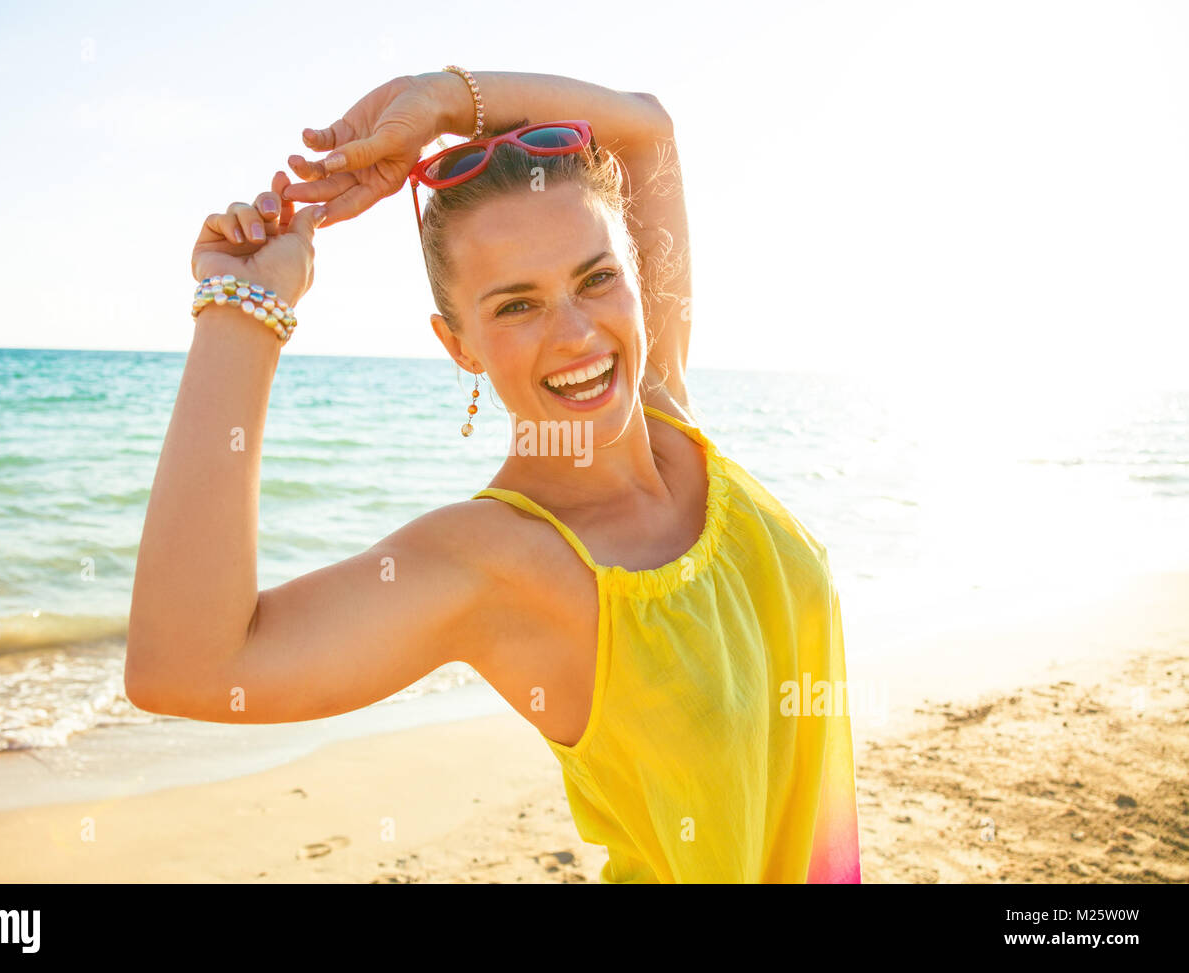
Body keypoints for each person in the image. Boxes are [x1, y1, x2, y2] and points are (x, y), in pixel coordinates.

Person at [127, 70, 862, 883]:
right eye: (517, 305)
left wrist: (443, 99)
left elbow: (647, 131)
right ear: (460, 346)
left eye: (597, 278)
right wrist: (242, 309)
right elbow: (186, 667)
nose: (578, 333)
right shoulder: (499, 561)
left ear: (637, 280)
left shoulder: (666, 410)